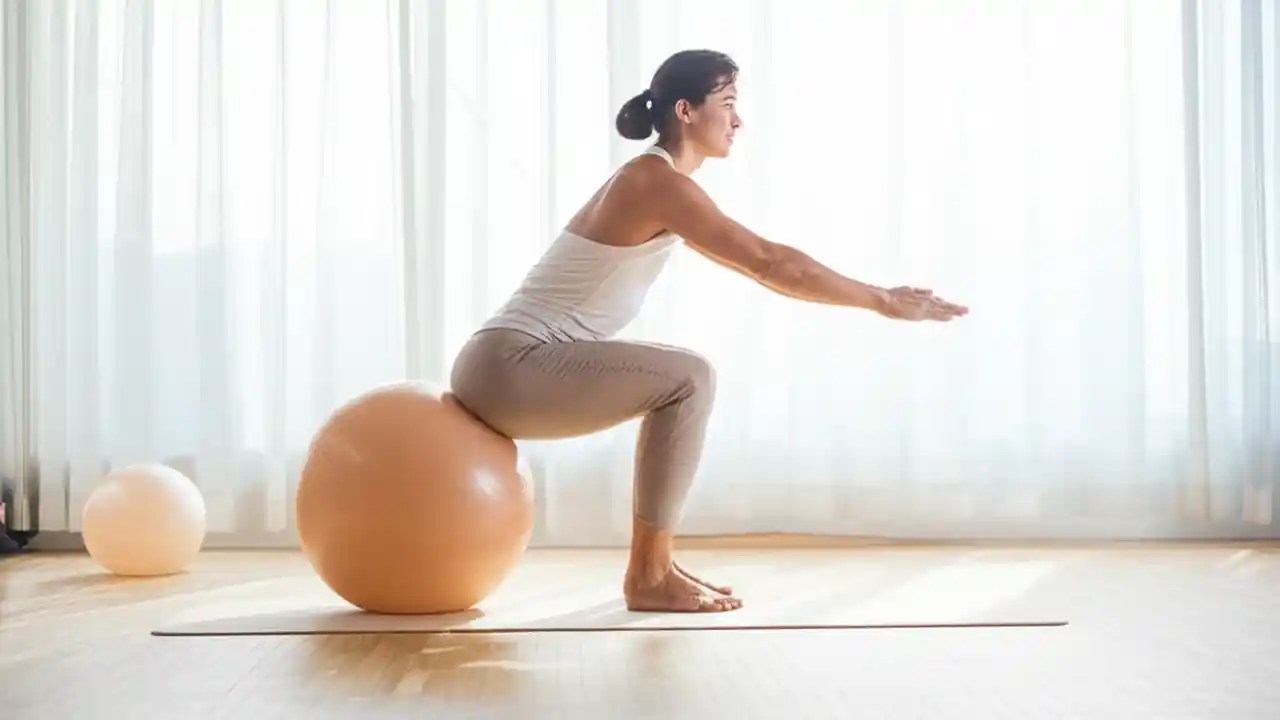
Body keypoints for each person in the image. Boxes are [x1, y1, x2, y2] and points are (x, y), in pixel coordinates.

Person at [450, 49, 969, 614]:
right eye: (727, 104)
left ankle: (658, 566)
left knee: (685, 376)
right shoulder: (654, 181)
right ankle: (648, 575)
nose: (739, 120)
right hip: (511, 367)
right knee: (689, 377)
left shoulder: (659, 183)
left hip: (505, 364)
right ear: (686, 111)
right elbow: (772, 263)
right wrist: (882, 300)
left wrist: (876, 299)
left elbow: (766, 267)